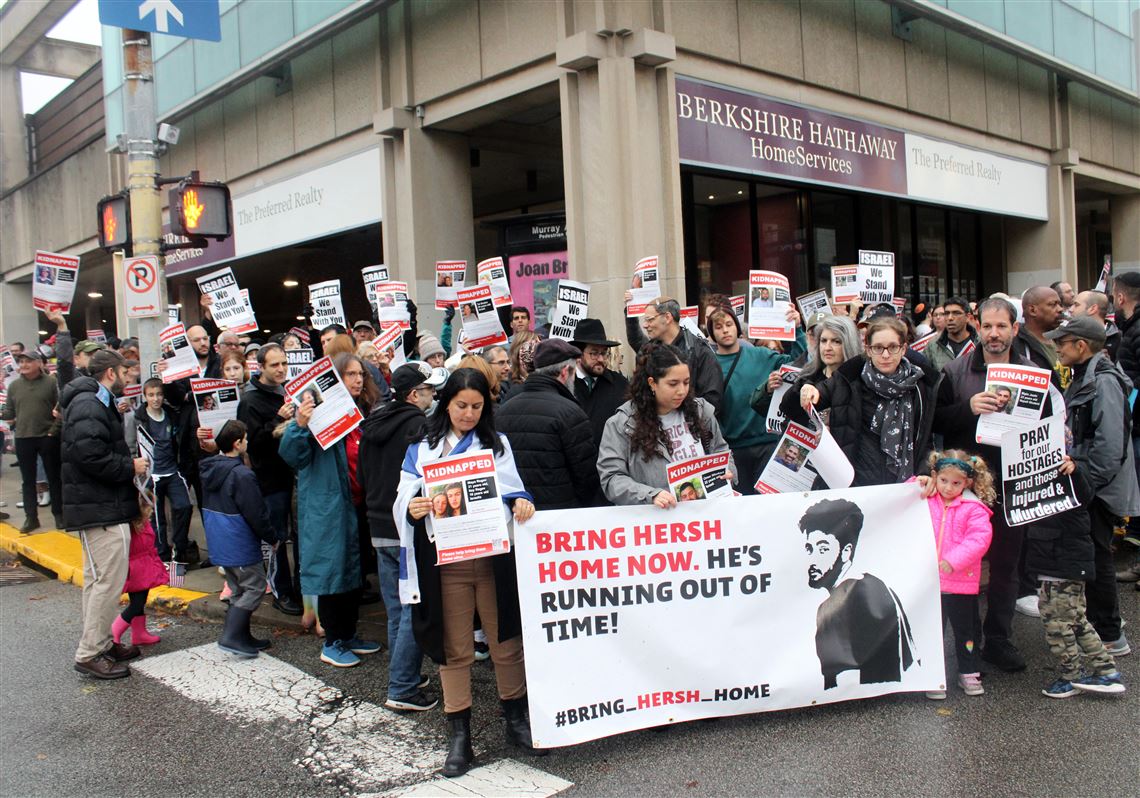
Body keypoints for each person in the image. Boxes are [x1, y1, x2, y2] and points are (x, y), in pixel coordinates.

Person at [394, 368, 540, 776]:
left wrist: (522, 503)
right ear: (447, 403)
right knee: (454, 647)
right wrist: (413, 506)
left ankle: (516, 719)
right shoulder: (422, 448)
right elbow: (403, 494)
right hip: (446, 564)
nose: (469, 414)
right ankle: (459, 735)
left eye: (477, 406)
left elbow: (515, 489)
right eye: (462, 405)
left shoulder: (498, 445)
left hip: (492, 560)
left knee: (506, 640)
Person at [931, 297, 1050, 672]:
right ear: (976, 325)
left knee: (1006, 564)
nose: (994, 333)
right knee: (964, 564)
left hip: (1014, 482)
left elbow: (1048, 427)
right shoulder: (955, 371)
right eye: (987, 325)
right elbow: (936, 422)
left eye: (1002, 326)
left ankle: (999, 638)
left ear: (1015, 329)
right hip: (968, 490)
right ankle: (969, 646)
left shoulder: (1034, 370)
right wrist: (969, 408)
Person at [278, 358, 381, 668]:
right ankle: (333, 640)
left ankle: (348, 634)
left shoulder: (358, 415)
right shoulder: (314, 417)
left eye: (361, 374)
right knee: (332, 572)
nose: (358, 379)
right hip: (329, 507)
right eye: (350, 374)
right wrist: (300, 425)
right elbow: (291, 455)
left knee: (354, 571)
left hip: (356, 505)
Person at [1047, 315, 1139, 657]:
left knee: (1098, 558)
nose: (1057, 347)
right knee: (1093, 555)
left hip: (1099, 488)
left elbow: (1110, 447)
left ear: (1081, 346)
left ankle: (1111, 633)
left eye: (1062, 342)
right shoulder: (1089, 375)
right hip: (1093, 483)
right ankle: (1104, 625)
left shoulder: (1104, 381)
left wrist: (1085, 484)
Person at [359, 362, 446, 712]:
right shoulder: (418, 427)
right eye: (427, 390)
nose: (432, 395)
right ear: (414, 394)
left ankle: (403, 674)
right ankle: (402, 686)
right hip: (405, 525)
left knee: (397, 610)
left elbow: (362, 475)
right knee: (412, 607)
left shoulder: (373, 421)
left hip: (378, 524)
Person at [62, 349, 149, 680]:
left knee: (99, 581)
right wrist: (131, 466)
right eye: (124, 373)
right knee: (107, 583)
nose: (129, 379)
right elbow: (90, 455)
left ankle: (99, 644)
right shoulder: (89, 403)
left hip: (100, 504)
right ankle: (89, 653)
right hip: (98, 507)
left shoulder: (95, 401)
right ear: (111, 373)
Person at [791, 317, 940, 487]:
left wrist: (925, 473)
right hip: (856, 484)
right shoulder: (849, 379)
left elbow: (925, 439)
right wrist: (807, 387)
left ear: (903, 349)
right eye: (878, 348)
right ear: (868, 350)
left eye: (892, 347)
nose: (885, 355)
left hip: (904, 487)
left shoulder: (922, 386)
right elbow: (803, 402)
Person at [1023, 456, 1127, 696]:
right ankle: (1106, 672)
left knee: (1057, 624)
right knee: (1076, 620)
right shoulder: (1038, 475)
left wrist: (1075, 470)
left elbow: (1085, 493)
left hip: (1064, 566)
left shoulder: (1073, 469)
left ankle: (1071, 677)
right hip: (1056, 563)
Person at [597, 342, 734, 507]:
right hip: (655, 522)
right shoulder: (622, 424)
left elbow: (721, 450)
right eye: (673, 384)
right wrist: (650, 495)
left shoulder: (700, 411)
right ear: (652, 383)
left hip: (703, 516)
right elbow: (612, 478)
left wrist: (728, 471)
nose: (682, 391)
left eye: (686, 382)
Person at [800, 498, 916, 689]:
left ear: (846, 552)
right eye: (809, 549)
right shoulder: (831, 602)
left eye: (822, 549)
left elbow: (880, 671)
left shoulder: (863, 592)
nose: (812, 559)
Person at [912, 451, 995, 699]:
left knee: (965, 632)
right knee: (932, 630)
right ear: (935, 476)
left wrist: (953, 560)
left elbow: (979, 539)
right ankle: (934, 676)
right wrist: (919, 481)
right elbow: (902, 498)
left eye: (956, 483)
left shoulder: (974, 509)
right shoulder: (928, 498)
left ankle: (968, 671)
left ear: (967, 483)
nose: (949, 488)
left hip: (961, 584)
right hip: (931, 583)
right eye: (943, 481)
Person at [201, 420, 279, 658]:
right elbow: (256, 513)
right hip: (239, 540)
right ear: (238, 443)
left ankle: (243, 636)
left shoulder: (210, 468)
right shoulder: (242, 475)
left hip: (219, 539)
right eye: (245, 439)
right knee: (254, 586)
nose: (248, 442)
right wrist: (272, 537)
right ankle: (232, 636)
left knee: (237, 588)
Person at [707, 302, 803, 491]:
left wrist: (797, 329)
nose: (725, 330)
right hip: (731, 450)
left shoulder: (761, 355)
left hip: (766, 444)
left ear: (737, 327)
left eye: (729, 324)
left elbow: (799, 364)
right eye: (718, 327)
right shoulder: (708, 364)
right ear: (712, 334)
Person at [237, 344, 302, 616]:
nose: (281, 369)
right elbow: (253, 444)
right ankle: (281, 591)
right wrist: (279, 418)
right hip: (270, 479)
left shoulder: (288, 392)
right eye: (274, 365)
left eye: (284, 364)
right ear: (260, 367)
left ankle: (301, 586)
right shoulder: (250, 401)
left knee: (299, 535)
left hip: (294, 474)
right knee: (276, 537)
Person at [497, 339, 601, 509]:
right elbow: (587, 478)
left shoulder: (503, 410)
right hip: (560, 519)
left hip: (518, 516)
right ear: (565, 372)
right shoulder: (570, 413)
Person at [124, 378, 194, 563]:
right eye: (151, 395)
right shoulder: (137, 418)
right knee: (156, 518)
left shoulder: (170, 414)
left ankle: (179, 550)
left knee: (184, 506)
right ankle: (161, 556)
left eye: (159, 394)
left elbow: (178, 439)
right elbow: (131, 445)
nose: (156, 399)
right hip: (150, 474)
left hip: (172, 471)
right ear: (145, 396)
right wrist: (135, 468)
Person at [758, 315, 860, 431]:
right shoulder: (808, 377)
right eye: (823, 341)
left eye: (836, 341)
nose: (827, 347)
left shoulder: (861, 381)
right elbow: (787, 412)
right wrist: (801, 388)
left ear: (848, 344)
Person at [1, 349, 63, 531]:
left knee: (54, 478)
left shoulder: (51, 383)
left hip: (47, 437)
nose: (23, 365)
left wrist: (53, 431)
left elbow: (61, 410)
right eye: (20, 362)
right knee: (28, 481)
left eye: (28, 361)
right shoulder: (14, 386)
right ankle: (31, 517)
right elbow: (10, 414)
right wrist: (4, 414)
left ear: (39, 363)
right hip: (23, 437)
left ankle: (59, 515)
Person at [625, 296, 724, 410]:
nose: (645, 325)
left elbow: (712, 400)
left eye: (650, 319)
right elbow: (639, 395)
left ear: (667, 317)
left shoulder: (699, 351)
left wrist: (683, 419)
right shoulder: (647, 351)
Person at [110, 491, 168, 648]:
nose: (151, 514)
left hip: (141, 567)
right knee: (136, 604)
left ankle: (139, 633)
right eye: (149, 510)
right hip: (138, 569)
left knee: (139, 602)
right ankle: (114, 633)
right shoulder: (134, 526)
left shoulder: (138, 524)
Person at [571, 319, 630, 449]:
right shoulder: (564, 385)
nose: (601, 359)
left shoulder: (620, 384)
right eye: (594, 353)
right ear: (578, 353)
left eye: (604, 353)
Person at [1015, 286, 1067, 388]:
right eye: (1053, 305)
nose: (1060, 309)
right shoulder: (1016, 345)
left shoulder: (1065, 339)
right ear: (1032, 310)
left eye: (1060, 304)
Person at [924, 297, 979, 371]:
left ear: (968, 317)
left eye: (956, 313)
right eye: (946, 313)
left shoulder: (980, 342)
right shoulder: (933, 345)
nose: (950, 318)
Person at [1070, 290, 1121, 361]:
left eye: (1076, 305)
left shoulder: (1119, 339)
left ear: (1093, 309)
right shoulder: (1068, 337)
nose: (1071, 309)